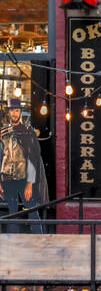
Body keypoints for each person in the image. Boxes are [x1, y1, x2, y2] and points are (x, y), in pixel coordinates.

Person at [1, 98, 48, 233]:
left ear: (20, 112)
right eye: (12, 110)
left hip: (24, 178)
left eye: (17, 110)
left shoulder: (28, 131)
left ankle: (40, 240)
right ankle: (14, 245)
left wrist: (29, 183)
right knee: (12, 212)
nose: (14, 113)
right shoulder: (3, 133)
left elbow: (33, 159)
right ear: (8, 112)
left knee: (32, 210)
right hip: (7, 178)